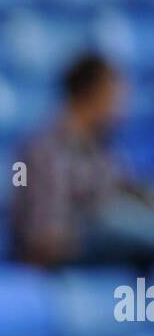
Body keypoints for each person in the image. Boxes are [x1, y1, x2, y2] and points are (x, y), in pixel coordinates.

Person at [13, 53, 154, 268]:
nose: (122, 109)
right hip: (62, 249)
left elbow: (125, 188)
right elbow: (44, 236)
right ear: (93, 95)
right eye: (115, 97)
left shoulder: (100, 149)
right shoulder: (45, 150)